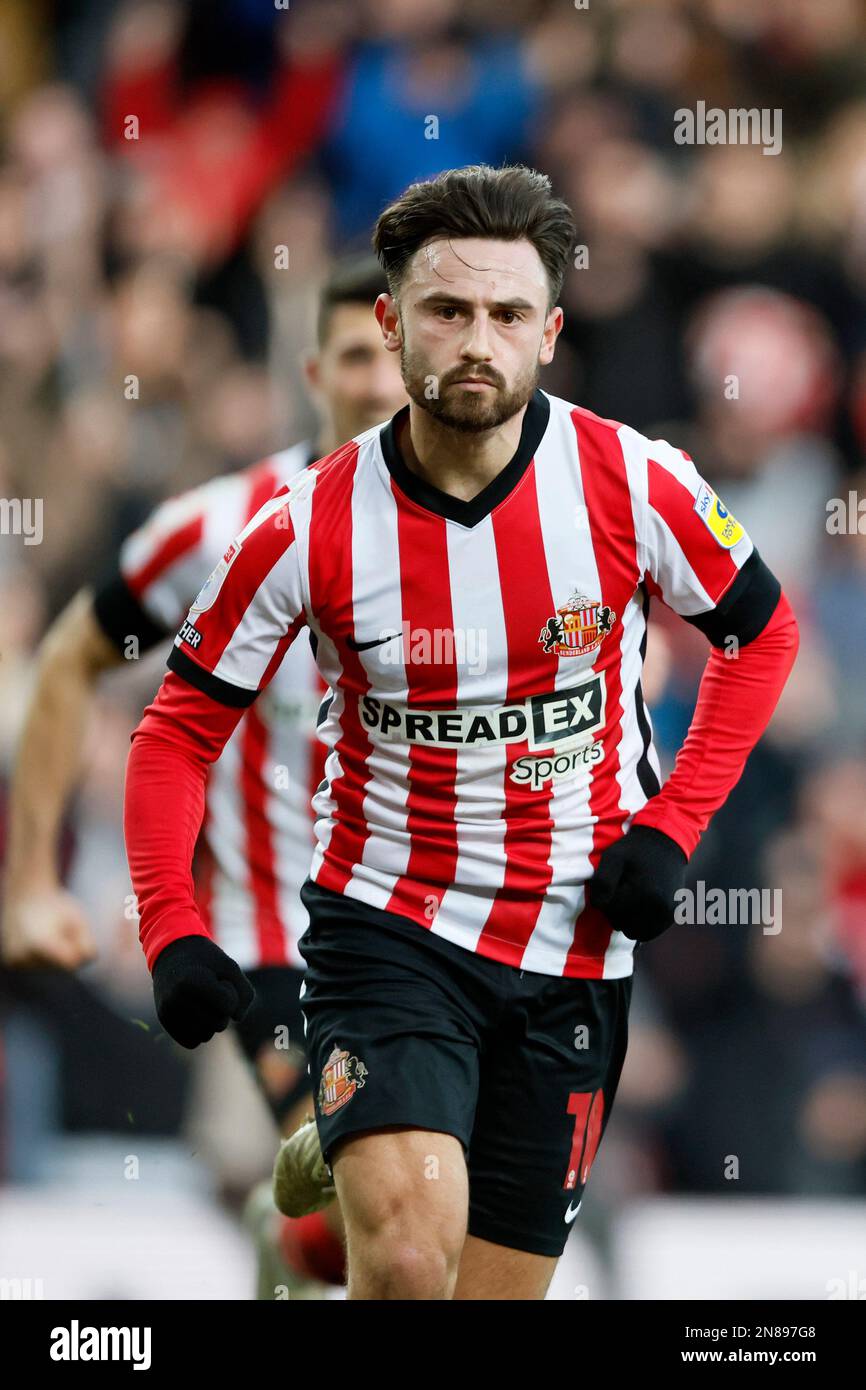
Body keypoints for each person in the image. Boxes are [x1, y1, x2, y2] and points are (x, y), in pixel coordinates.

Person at [123, 164, 799, 1300]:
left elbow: (762, 633)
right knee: (401, 1257)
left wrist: (671, 828)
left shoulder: (636, 482)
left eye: (505, 314)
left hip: (574, 945)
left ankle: (318, 1168)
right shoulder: (304, 526)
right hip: (389, 928)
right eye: (445, 311)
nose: (475, 340)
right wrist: (170, 926)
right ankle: (355, 1147)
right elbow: (176, 728)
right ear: (389, 325)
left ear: (550, 332)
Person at [1, 253, 408, 1296]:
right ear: (313, 372)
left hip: (442, 936)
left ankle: (292, 1253)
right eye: (353, 354)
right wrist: (32, 884)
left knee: (403, 1222)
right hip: (276, 943)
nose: (375, 379)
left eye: (392, 354)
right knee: (374, 1200)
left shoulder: (502, 532)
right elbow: (67, 657)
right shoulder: (221, 528)